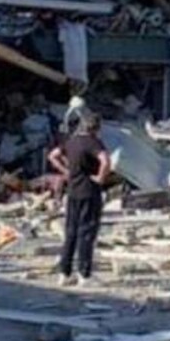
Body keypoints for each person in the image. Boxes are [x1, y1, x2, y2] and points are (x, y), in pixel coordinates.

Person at [48, 113, 111, 287]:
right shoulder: (93, 143)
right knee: (86, 233)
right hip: (89, 192)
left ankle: (64, 273)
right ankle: (84, 275)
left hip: (73, 191)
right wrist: (100, 178)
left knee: (70, 232)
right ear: (96, 128)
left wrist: (66, 171)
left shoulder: (71, 141)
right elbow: (105, 161)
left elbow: (53, 156)